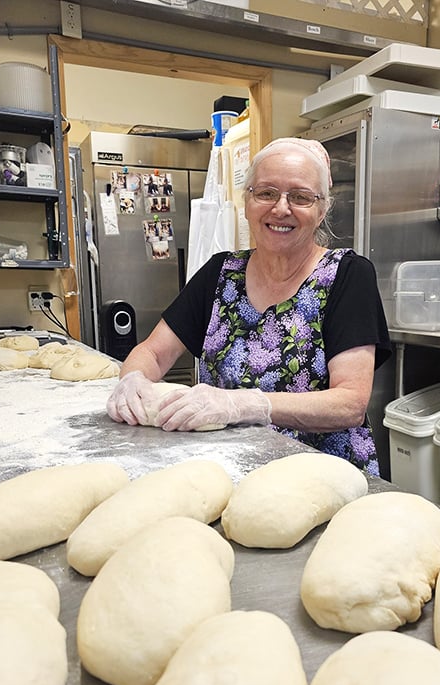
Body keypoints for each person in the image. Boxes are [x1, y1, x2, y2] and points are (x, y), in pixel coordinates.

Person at [107, 137, 391, 476]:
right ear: (247, 201)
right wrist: (133, 379)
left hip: (324, 477)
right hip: (226, 472)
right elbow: (153, 352)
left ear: (322, 209)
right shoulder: (220, 273)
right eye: (266, 193)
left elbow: (349, 404)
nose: (281, 209)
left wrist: (241, 404)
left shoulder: (347, 275)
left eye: (300, 197)